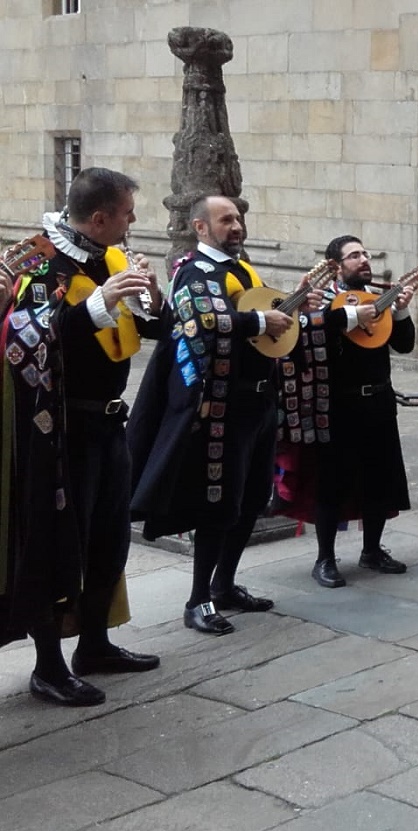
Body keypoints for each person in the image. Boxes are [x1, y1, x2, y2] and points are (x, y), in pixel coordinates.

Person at [1, 167, 163, 707]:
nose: (133, 222)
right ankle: (47, 667)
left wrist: (150, 300)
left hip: (109, 421)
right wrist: (100, 303)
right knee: (57, 541)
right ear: (99, 218)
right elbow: (31, 341)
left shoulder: (109, 257)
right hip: (60, 428)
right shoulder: (39, 258)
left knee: (109, 537)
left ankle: (95, 643)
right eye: (127, 213)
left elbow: (154, 330)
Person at [129, 195, 304, 635]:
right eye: (226, 219)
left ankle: (224, 584)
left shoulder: (241, 270)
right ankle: (198, 600)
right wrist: (262, 323)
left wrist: (294, 303)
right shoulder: (194, 271)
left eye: (239, 218)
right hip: (224, 408)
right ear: (201, 227)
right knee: (219, 503)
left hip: (260, 403)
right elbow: (208, 319)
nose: (237, 225)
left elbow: (255, 319)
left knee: (251, 500)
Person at [276, 235, 416, 588]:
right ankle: (325, 559)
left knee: (378, 479)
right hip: (337, 404)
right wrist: (352, 316)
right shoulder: (320, 301)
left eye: (366, 253)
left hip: (379, 402)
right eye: (355, 255)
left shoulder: (376, 298)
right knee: (332, 484)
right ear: (336, 265)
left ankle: (371, 551)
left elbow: (404, 344)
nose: (364, 259)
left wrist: (399, 310)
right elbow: (306, 331)